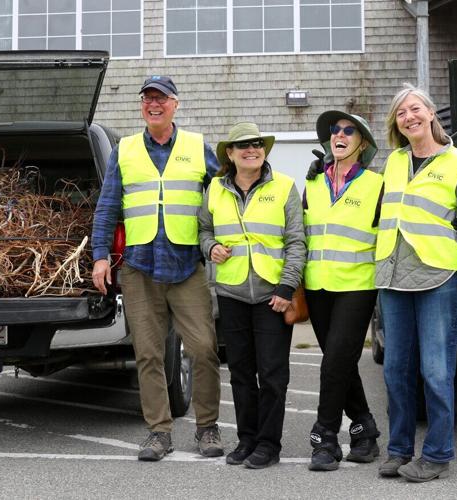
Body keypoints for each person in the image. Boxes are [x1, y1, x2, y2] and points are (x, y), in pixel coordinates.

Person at [91, 75, 223, 462]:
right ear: (141, 105)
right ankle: (158, 432)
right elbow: (108, 205)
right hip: (139, 267)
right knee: (148, 354)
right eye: (148, 98)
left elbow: (227, 192)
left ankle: (207, 427)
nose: (154, 104)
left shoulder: (199, 147)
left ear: (175, 104)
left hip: (186, 266)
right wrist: (101, 255)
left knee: (203, 350)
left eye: (161, 99)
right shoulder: (125, 149)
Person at [376, 84, 457, 482]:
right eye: (400, 114)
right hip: (393, 277)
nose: (408, 117)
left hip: (438, 277)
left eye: (414, 109)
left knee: (435, 370)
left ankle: (438, 454)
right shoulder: (393, 162)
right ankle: (398, 450)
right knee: (395, 370)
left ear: (431, 114)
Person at [198, 122, 305, 470]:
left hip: (272, 294)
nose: (251, 149)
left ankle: (268, 444)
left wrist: (287, 288)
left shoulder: (285, 187)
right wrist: (211, 247)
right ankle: (247, 439)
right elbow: (203, 230)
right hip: (231, 293)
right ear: (229, 154)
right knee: (242, 372)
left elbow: (296, 243)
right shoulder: (214, 189)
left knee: (272, 374)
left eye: (257, 144)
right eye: (242, 145)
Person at [302, 111, 384, 471]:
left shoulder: (376, 185)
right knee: (342, 363)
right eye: (335, 130)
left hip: (357, 285)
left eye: (349, 131)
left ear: (362, 143)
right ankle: (364, 430)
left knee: (335, 360)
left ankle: (326, 438)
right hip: (317, 284)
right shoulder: (313, 184)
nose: (340, 134)